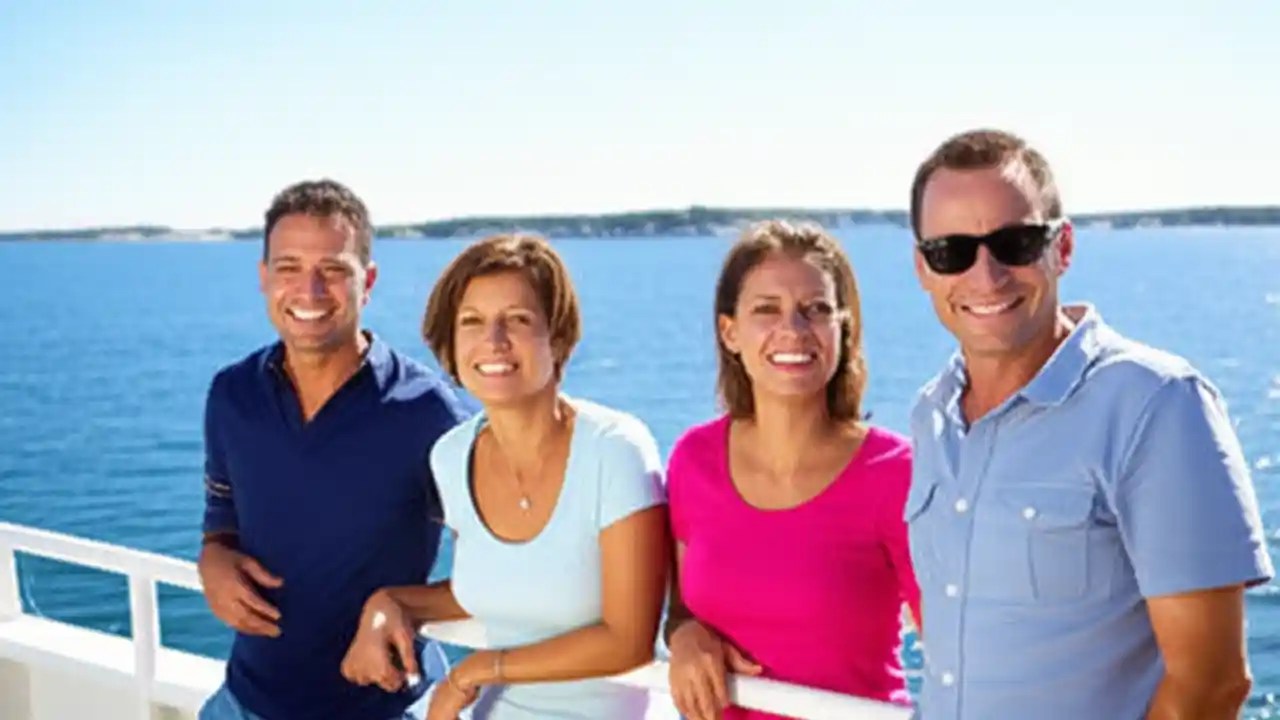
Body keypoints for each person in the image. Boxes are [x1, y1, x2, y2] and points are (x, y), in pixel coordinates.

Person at [905, 129, 1274, 719]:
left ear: (1063, 247)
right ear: (924, 268)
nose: (986, 275)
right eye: (953, 251)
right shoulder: (933, 414)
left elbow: (1212, 684)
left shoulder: (1155, 405)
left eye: (1015, 242)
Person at [338, 233, 669, 719]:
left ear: (557, 338)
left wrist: (476, 671)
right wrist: (388, 602)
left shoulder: (614, 448)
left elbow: (628, 640)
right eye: (471, 322)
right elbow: (502, 583)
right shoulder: (451, 457)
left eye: (517, 320)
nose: (493, 341)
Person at [197, 179, 471, 720]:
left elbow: (505, 565)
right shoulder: (232, 394)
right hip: (244, 704)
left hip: (387, 709)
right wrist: (213, 556)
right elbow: (222, 512)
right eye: (289, 268)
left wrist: (396, 605)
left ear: (367, 282)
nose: (310, 291)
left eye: (333, 270)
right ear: (263, 277)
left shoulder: (428, 412)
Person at [663, 220, 922, 720]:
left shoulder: (897, 473)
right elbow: (682, 606)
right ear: (730, 332)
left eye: (816, 310)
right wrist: (683, 635)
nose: (794, 330)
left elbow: (957, 648)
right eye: (767, 310)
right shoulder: (693, 459)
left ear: (842, 329)